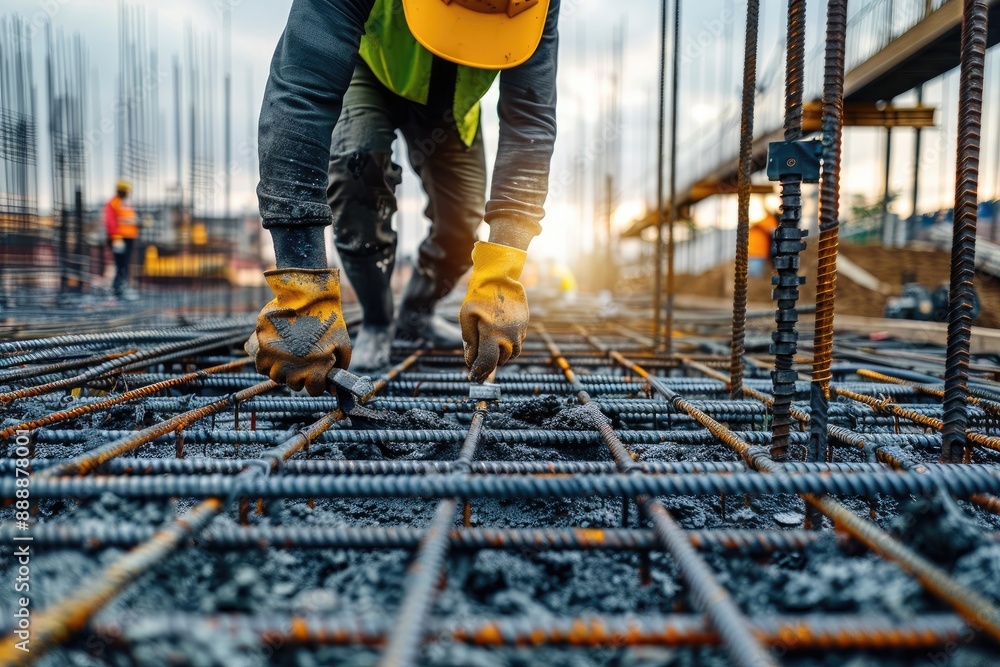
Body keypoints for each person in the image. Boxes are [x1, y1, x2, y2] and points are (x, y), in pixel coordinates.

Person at [246, 0, 559, 394]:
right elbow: (299, 92)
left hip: (453, 103)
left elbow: (530, 119)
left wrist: (503, 269)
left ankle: (416, 314)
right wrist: (299, 284)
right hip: (371, 69)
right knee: (356, 168)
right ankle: (378, 319)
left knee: (460, 227)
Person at [104, 179, 139, 300]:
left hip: (128, 238)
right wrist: (116, 238)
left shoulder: (125, 203)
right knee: (121, 264)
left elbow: (129, 220)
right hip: (119, 239)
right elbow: (110, 222)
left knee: (125, 264)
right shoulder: (114, 203)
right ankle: (118, 289)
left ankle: (120, 288)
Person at [747, 209, 778, 278]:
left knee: (754, 278)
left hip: (758, 256)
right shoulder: (752, 224)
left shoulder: (769, 220)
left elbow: (773, 231)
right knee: (750, 279)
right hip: (750, 255)